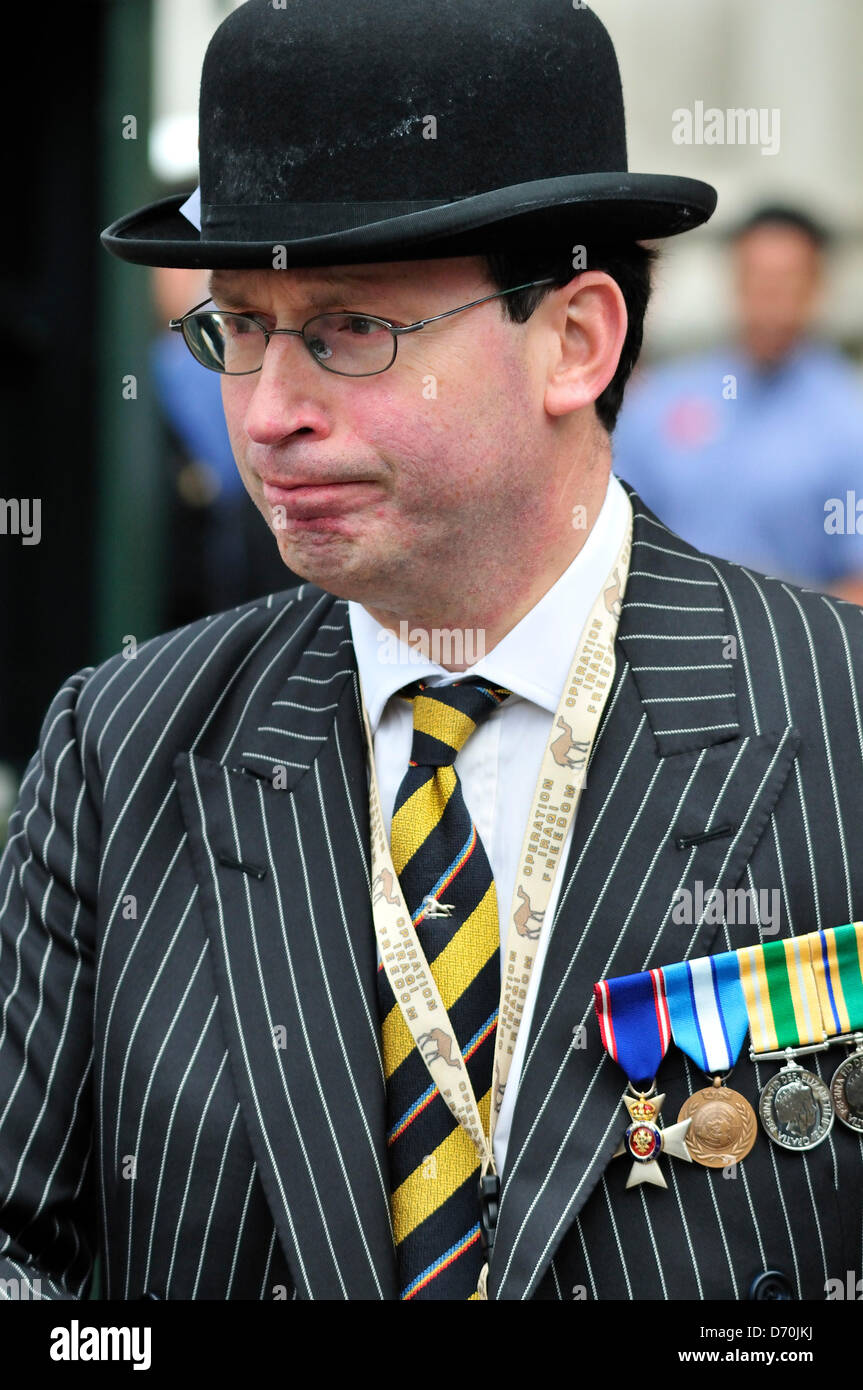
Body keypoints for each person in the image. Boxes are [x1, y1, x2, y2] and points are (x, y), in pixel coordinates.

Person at [0, 0, 861, 1303]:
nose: (271, 412)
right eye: (237, 325)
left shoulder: (833, 717)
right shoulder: (122, 748)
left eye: (349, 329)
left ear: (574, 340)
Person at [614, 205, 863, 601]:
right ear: (734, 280)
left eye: (786, 281)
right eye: (758, 279)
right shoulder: (663, 400)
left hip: (792, 646)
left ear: (818, 287)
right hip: (667, 631)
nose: (770, 298)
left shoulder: (849, 419)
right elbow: (616, 532)